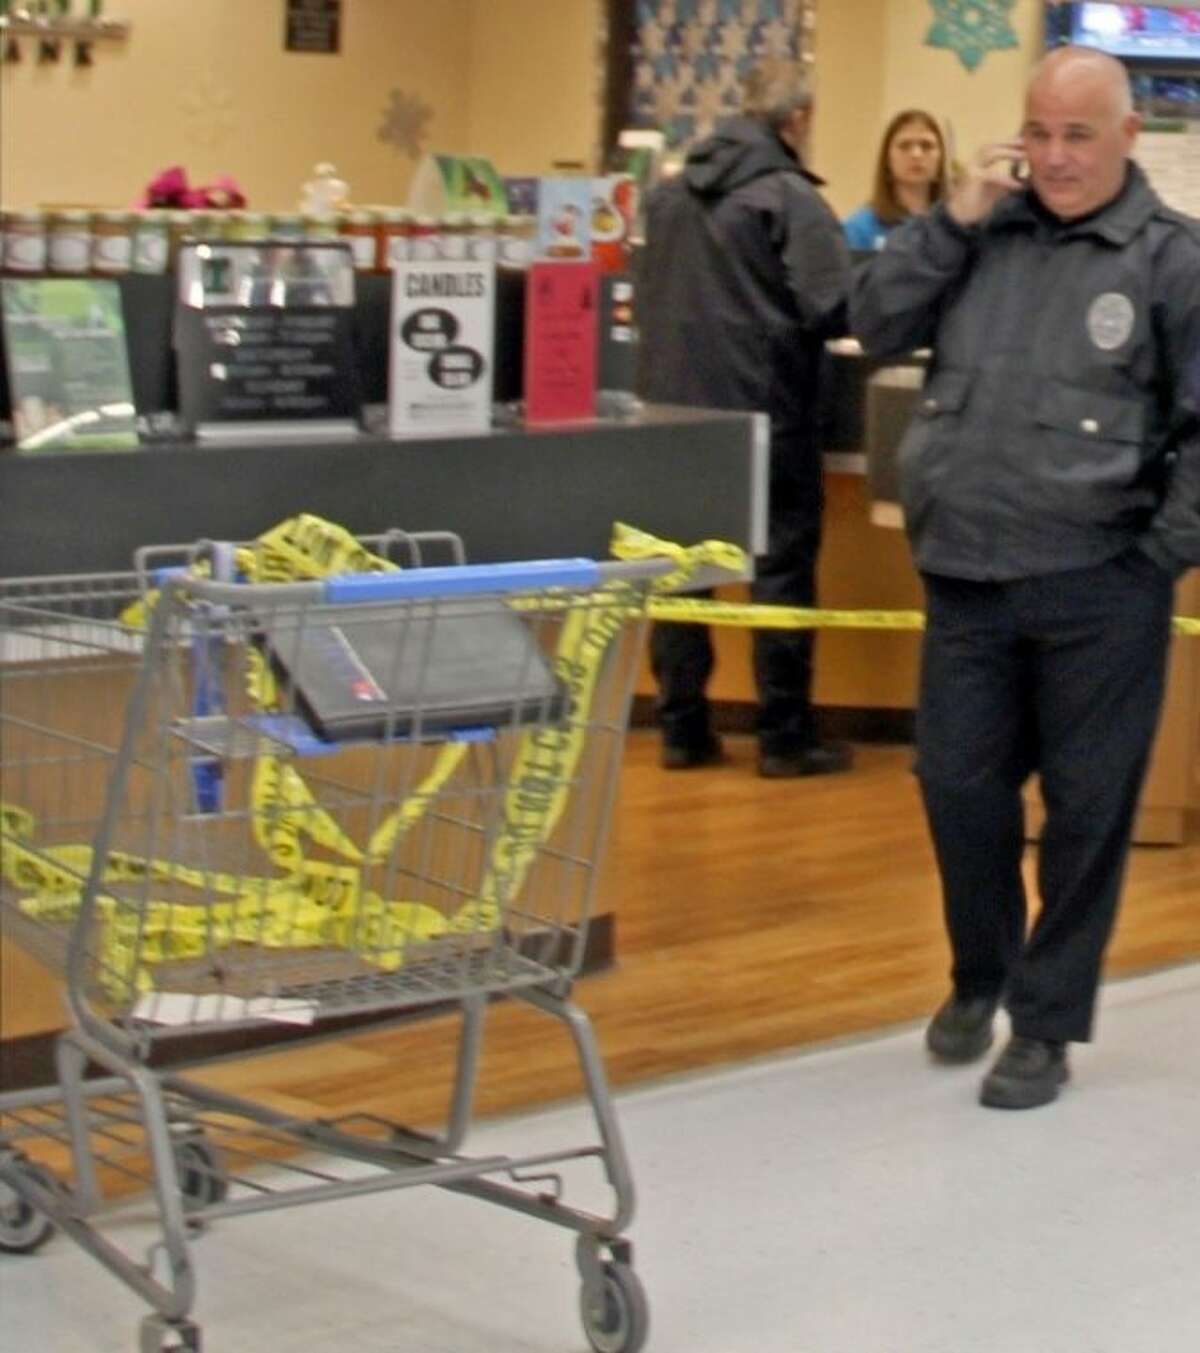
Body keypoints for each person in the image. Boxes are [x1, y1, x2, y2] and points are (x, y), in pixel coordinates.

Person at [850, 46, 1200, 1109]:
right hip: (966, 573)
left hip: (1101, 580)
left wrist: (1159, 558)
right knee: (956, 790)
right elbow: (871, 321)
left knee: (1089, 812)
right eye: (1038, 133)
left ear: (1130, 136)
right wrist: (950, 217)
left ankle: (1045, 1025)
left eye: (1078, 135)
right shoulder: (979, 235)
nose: (1053, 157)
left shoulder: (1170, 261)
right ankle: (978, 973)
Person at [636, 59, 854, 778]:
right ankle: (784, 738)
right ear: (797, 121)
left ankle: (681, 729)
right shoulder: (790, 199)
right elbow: (835, 306)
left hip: (669, 417)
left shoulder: (667, 197)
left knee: (680, 575)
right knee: (780, 570)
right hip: (768, 414)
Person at [842, 109, 949, 252]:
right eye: (904, 146)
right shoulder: (859, 229)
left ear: (940, 159)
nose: (916, 154)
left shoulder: (954, 227)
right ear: (887, 160)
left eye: (926, 146)